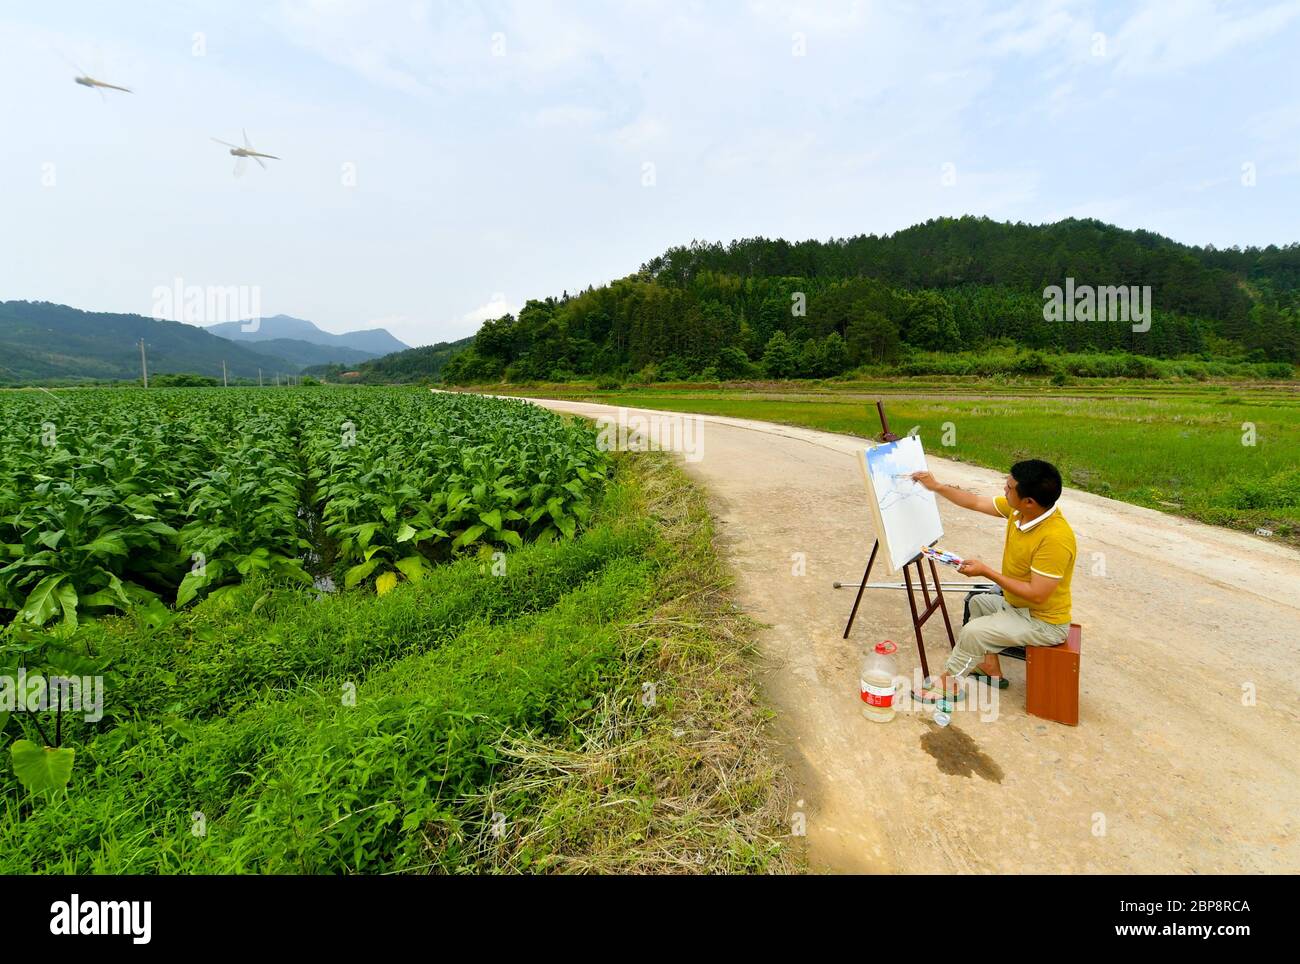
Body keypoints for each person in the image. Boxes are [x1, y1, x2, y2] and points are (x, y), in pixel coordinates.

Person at [907, 459, 1076, 703]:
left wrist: (987, 572)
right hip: (1018, 608)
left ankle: (949, 684)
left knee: (973, 632)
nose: (1004, 491)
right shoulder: (1021, 511)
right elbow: (975, 502)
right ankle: (990, 668)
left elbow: (1038, 594)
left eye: (1009, 489)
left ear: (1029, 501)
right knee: (978, 603)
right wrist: (937, 487)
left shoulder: (1055, 539)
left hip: (1044, 622)